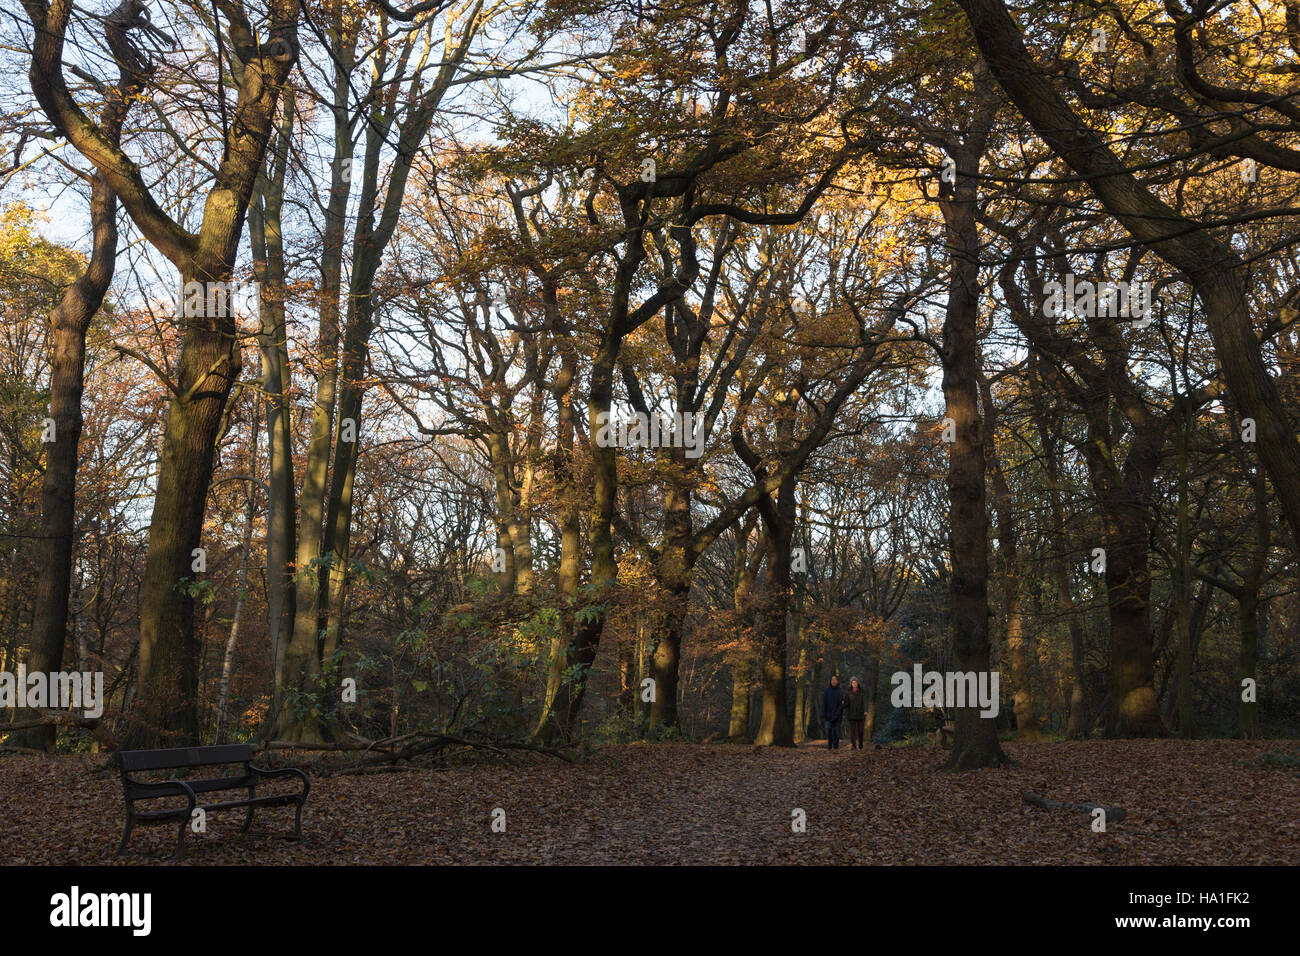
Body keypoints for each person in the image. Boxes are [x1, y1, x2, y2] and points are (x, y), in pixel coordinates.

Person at [821, 675, 848, 750]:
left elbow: (845, 703)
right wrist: (823, 713)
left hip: (838, 715)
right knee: (829, 731)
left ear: (837, 681)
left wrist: (840, 708)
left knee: (837, 732)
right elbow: (823, 703)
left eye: (835, 679)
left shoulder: (841, 691)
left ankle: (835, 746)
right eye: (832, 679)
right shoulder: (826, 691)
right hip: (828, 715)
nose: (833, 681)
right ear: (830, 681)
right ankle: (829, 745)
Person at [846, 676, 867, 749]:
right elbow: (846, 703)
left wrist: (865, 710)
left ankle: (861, 744)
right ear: (851, 684)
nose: (854, 684)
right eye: (853, 682)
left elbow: (865, 702)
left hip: (860, 713)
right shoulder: (848, 692)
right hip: (851, 714)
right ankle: (853, 745)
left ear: (858, 683)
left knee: (860, 731)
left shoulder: (862, 692)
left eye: (855, 682)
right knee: (852, 732)